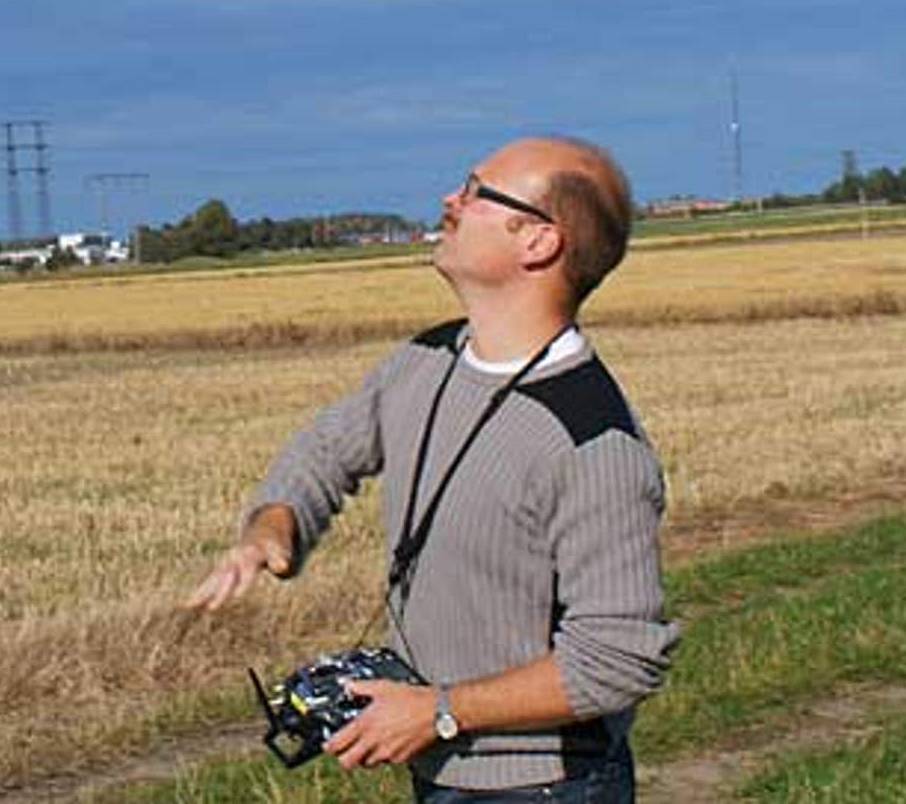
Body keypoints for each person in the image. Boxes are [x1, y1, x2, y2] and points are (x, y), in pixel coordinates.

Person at [186, 137, 677, 802]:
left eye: (475, 192)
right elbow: (327, 448)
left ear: (537, 242)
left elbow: (616, 661)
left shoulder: (593, 444)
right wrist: (273, 527)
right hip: (441, 773)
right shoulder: (426, 359)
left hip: (546, 787)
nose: (450, 200)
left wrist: (439, 710)